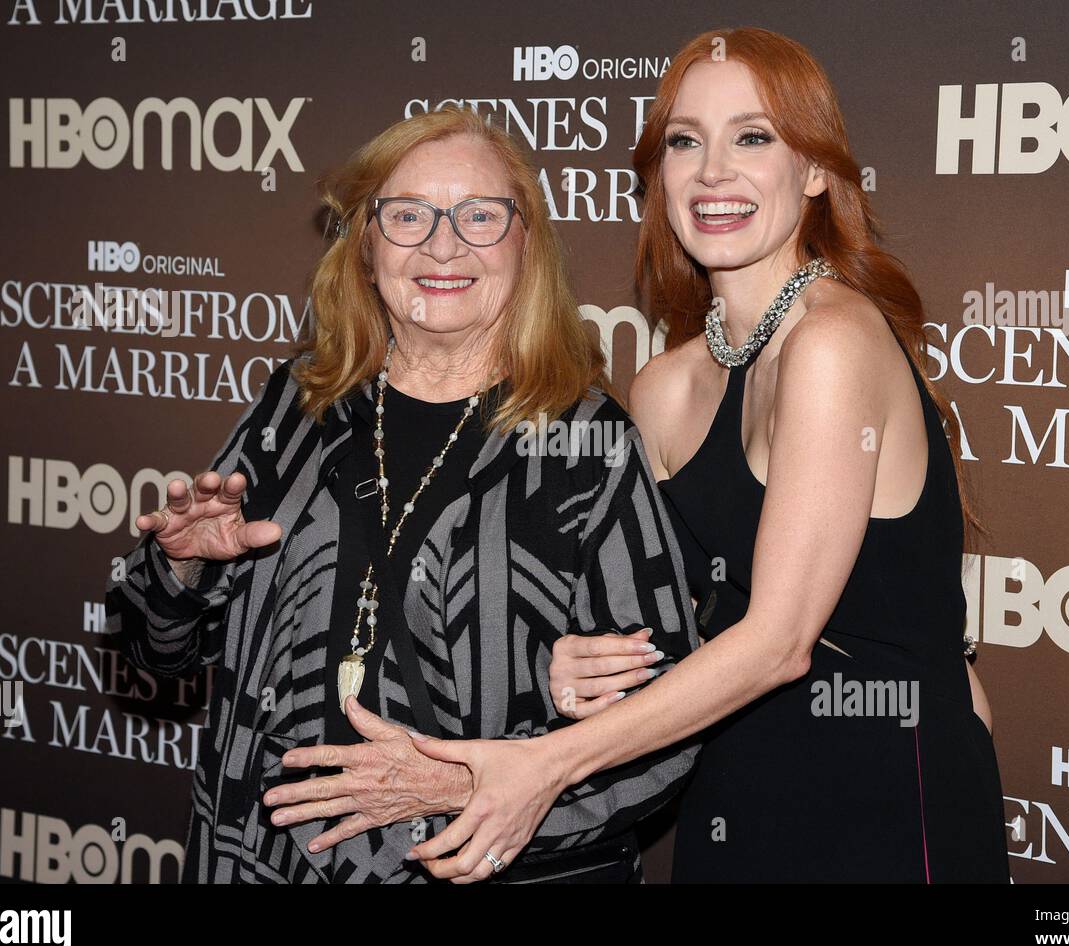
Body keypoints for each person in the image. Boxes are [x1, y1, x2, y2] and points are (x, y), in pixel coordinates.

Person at [403, 28, 1011, 883]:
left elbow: (778, 642)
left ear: (815, 171)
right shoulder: (661, 389)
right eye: (685, 141)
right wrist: (583, 659)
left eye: (753, 137)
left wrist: (547, 762)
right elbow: (676, 620)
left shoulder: (835, 342)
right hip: (729, 783)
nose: (713, 171)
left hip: (883, 789)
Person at [103, 105, 699, 884]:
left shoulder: (585, 443)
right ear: (367, 243)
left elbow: (663, 733)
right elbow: (148, 649)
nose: (442, 245)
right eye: (408, 214)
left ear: (527, 243)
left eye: (480, 215)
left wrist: (470, 790)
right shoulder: (303, 404)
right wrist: (178, 570)